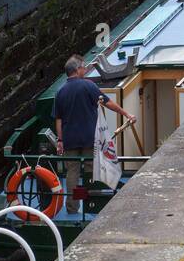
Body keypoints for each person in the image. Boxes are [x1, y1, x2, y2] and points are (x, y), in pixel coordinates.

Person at [54, 55, 135, 207]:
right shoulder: (88, 86)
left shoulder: (60, 92)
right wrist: (126, 114)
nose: (85, 70)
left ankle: (72, 206)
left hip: (70, 140)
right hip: (89, 137)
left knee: (72, 172)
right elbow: (107, 103)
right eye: (83, 67)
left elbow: (58, 119)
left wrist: (60, 140)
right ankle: (91, 204)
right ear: (77, 70)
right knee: (91, 169)